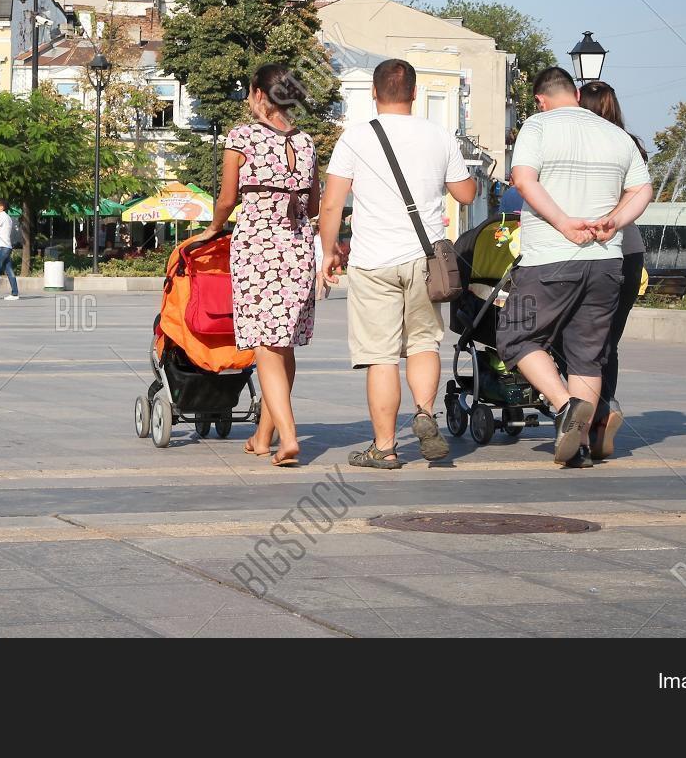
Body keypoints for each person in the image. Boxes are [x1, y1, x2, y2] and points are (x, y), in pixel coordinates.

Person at [319, 59, 477, 469]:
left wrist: (329, 250)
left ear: (374, 92)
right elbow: (466, 195)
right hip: (425, 262)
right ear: (414, 92)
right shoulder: (439, 136)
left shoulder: (354, 138)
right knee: (424, 343)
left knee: (381, 356)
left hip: (373, 262)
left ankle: (386, 447)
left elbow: (333, 202)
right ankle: (424, 413)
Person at [496, 67, 652, 468]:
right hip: (605, 260)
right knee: (588, 355)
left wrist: (564, 222)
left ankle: (566, 406)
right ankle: (579, 446)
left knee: (515, 336)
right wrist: (613, 221)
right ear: (576, 96)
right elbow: (643, 188)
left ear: (540, 99)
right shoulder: (614, 134)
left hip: (550, 256)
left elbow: (523, 179)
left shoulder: (538, 126)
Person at [191, 63, 317, 468]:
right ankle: (263, 435)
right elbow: (313, 206)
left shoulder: (241, 137)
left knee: (265, 344)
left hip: (259, 247)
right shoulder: (308, 143)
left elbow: (228, 199)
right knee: (284, 343)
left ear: (259, 95)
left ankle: (289, 436)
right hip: (298, 247)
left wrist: (212, 229)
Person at [572, 80, 648, 460]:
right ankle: (605, 410)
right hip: (629, 252)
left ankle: (577, 415)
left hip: (583, 249)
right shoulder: (630, 144)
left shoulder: (574, 145)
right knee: (607, 342)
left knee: (574, 339)